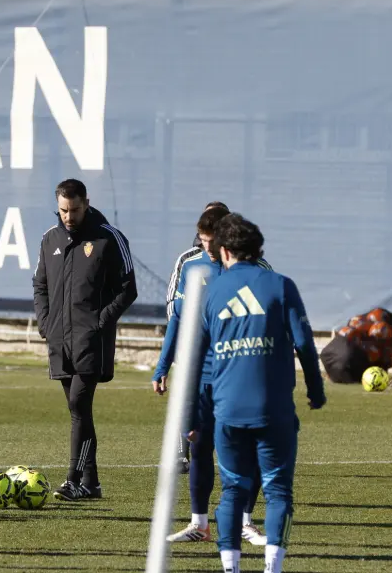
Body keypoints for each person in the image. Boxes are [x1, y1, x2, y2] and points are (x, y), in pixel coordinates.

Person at [190, 214, 325, 573]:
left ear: (225, 251)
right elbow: (304, 344)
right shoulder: (281, 285)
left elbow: (195, 359)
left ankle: (230, 568)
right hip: (274, 410)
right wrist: (316, 390)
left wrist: (191, 416)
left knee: (232, 490)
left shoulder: (211, 291)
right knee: (278, 491)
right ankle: (272, 568)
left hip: (227, 410)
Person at [152, 204, 267, 546]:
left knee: (245, 450)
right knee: (199, 446)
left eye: (210, 240)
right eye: (201, 240)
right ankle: (199, 524)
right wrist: (163, 365)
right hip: (199, 377)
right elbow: (178, 318)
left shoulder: (252, 269)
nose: (205, 247)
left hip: (240, 376)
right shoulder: (192, 265)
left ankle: (244, 521)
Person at [32, 178, 138, 501]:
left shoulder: (108, 237)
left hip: (91, 342)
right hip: (59, 341)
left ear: (86, 203)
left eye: (74, 210)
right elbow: (40, 285)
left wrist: (99, 323)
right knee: (79, 411)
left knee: (79, 404)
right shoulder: (49, 239)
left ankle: (74, 479)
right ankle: (91, 483)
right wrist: (46, 324)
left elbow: (128, 289)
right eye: (63, 210)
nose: (68, 216)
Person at [164, 200, 229, 473]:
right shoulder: (188, 260)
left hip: (228, 353)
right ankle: (182, 452)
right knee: (187, 396)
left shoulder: (243, 262)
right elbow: (174, 305)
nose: (207, 243)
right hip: (193, 347)